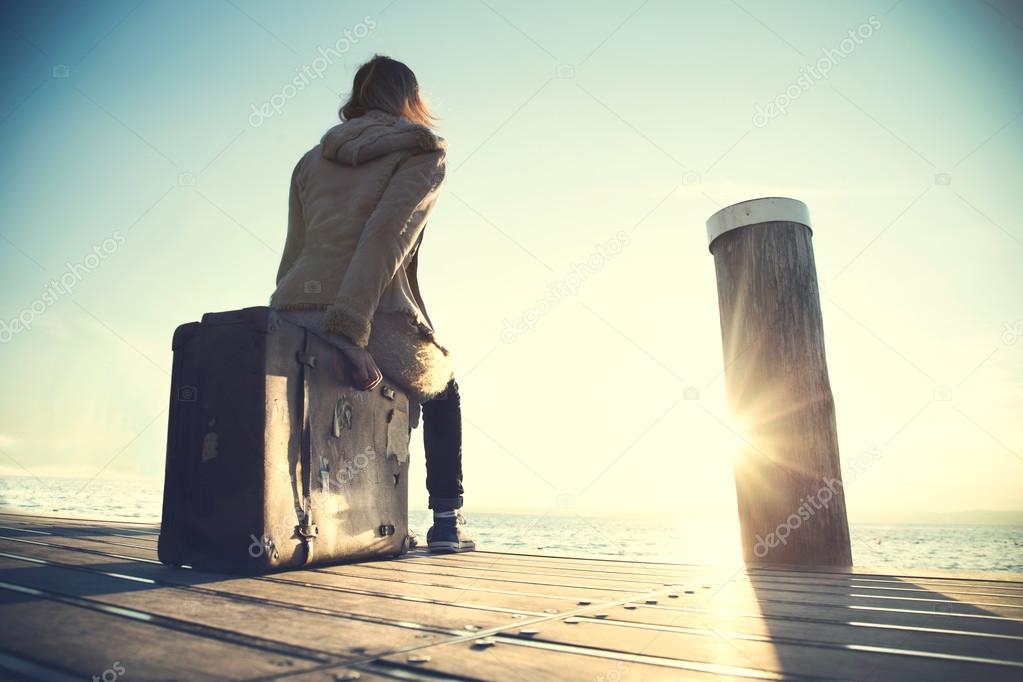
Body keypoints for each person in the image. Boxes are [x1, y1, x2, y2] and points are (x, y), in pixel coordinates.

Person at [269, 55, 474, 553]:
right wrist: (349, 330)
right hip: (364, 310)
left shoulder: (311, 160)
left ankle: (343, 511)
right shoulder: (423, 151)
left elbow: (294, 251)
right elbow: (387, 236)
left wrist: (282, 324)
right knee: (442, 388)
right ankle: (446, 521)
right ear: (410, 98)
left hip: (294, 309)